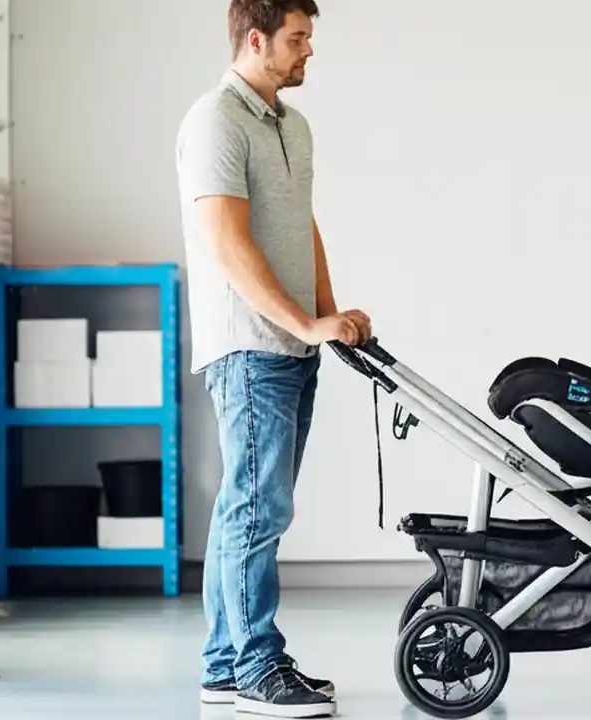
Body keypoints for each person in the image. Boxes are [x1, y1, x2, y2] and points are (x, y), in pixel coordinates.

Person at [174, 1, 367, 716]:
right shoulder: (214, 122)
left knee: (250, 508)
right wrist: (301, 323)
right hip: (249, 348)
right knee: (258, 509)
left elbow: (300, 224)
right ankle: (256, 666)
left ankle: (225, 666)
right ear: (255, 40)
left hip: (290, 343)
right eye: (296, 39)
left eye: (308, 38)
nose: (307, 51)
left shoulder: (293, 125)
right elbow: (228, 244)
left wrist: (331, 315)